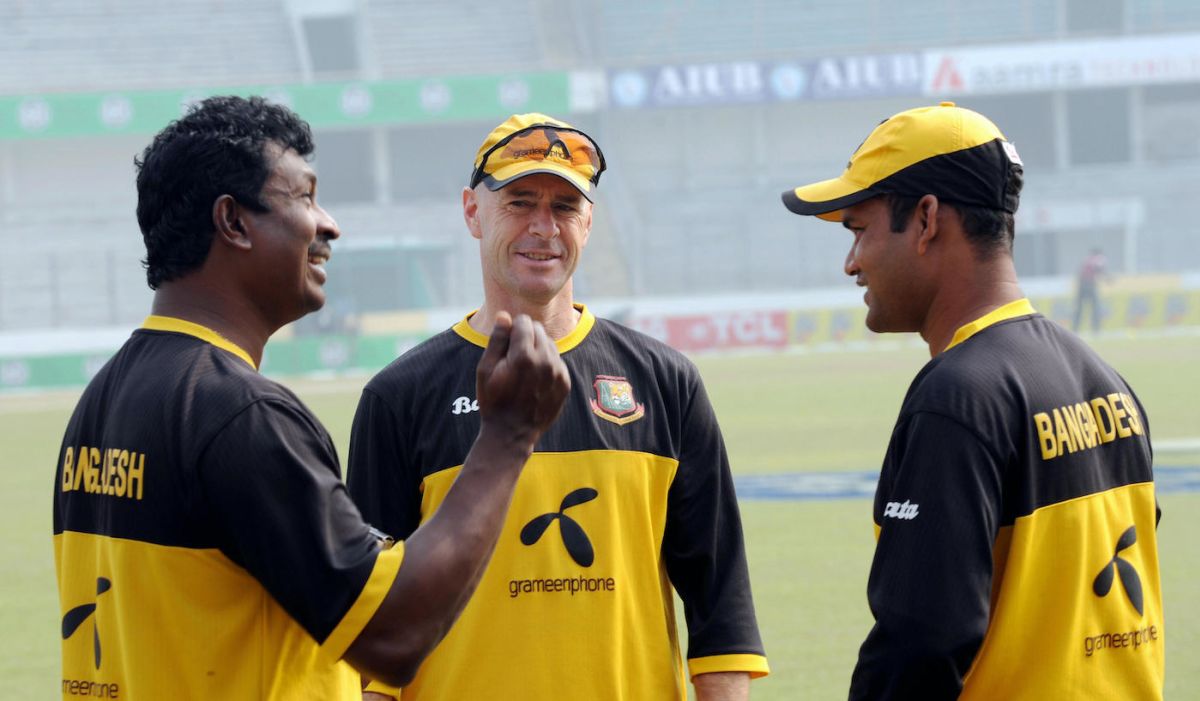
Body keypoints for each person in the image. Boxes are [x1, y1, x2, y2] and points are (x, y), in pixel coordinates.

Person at [53, 96, 570, 700]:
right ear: (233, 222)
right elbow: (391, 638)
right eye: (303, 198)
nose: (328, 225)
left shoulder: (102, 401)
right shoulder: (242, 417)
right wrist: (508, 436)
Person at [347, 113, 769, 701]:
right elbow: (371, 629)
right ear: (473, 211)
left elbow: (720, 612)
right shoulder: (399, 396)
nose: (544, 227)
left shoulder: (667, 382)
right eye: (520, 202)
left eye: (565, 207)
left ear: (589, 222)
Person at [781, 102, 1164, 699]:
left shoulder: (958, 398)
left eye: (859, 229)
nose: (851, 262)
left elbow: (923, 638)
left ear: (928, 219)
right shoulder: (1104, 380)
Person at [1074, 247, 1108, 333]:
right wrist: (1108, 278)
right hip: (1090, 285)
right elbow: (1098, 269)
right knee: (1095, 307)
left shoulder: (1087, 259)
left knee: (1079, 308)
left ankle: (1075, 328)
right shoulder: (1097, 259)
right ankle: (1095, 329)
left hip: (1081, 285)